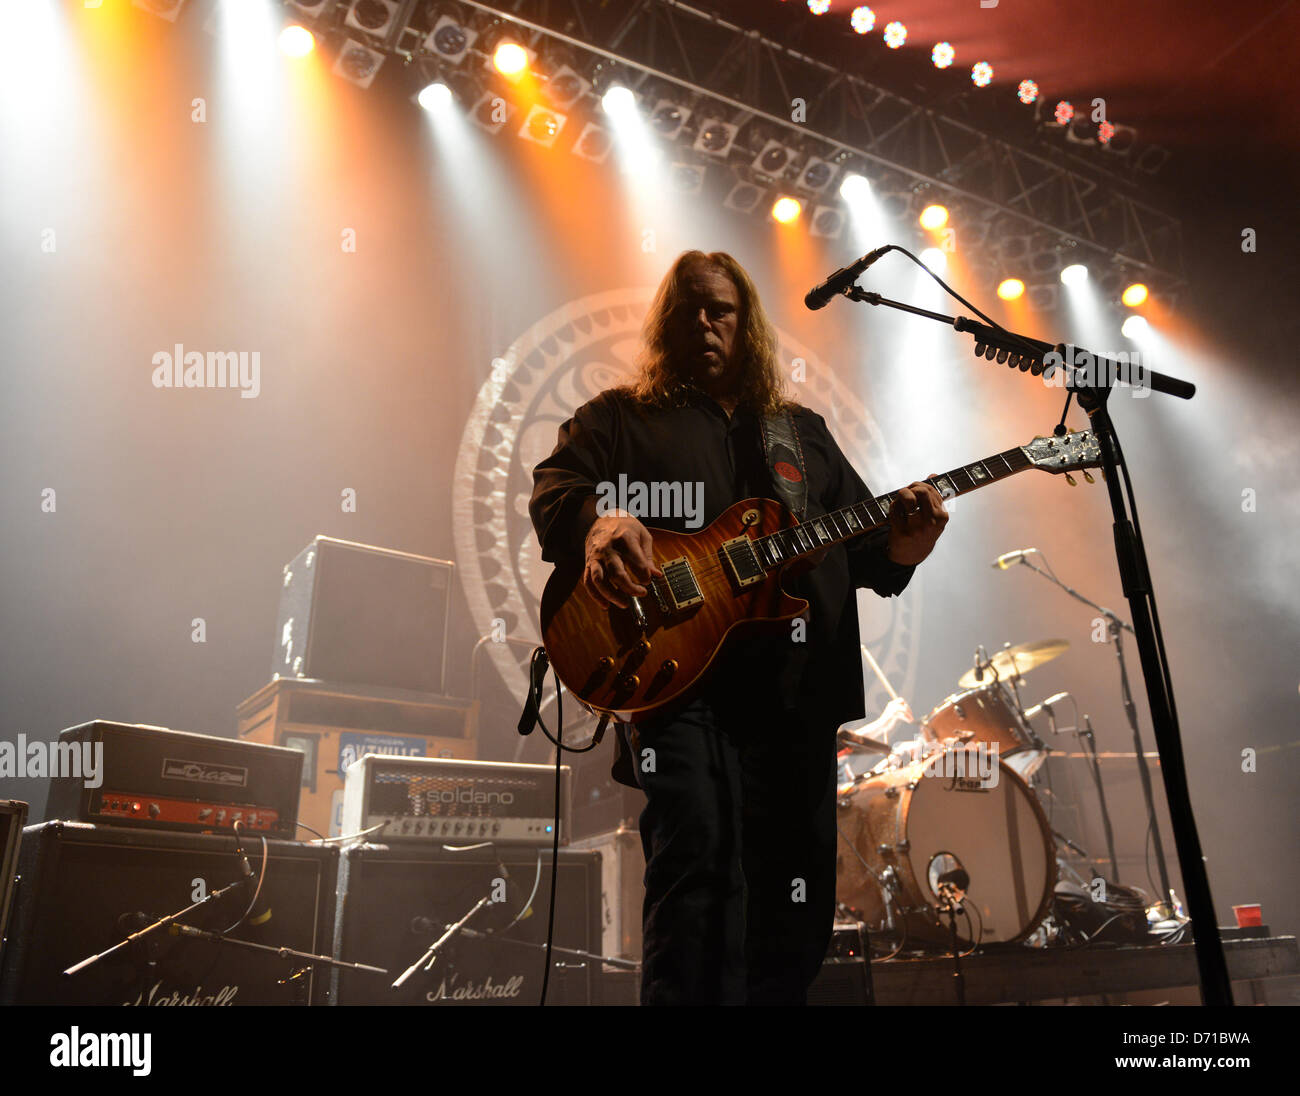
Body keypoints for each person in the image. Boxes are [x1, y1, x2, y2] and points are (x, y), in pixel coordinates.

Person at [529, 251, 948, 1004]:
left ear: (746, 323)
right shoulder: (622, 419)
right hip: (678, 688)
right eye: (688, 309)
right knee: (699, 874)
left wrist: (903, 548)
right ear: (666, 323)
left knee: (798, 901)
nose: (703, 322)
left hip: (797, 695)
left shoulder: (802, 436)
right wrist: (599, 527)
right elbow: (556, 490)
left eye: (719, 309)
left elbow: (863, 557)